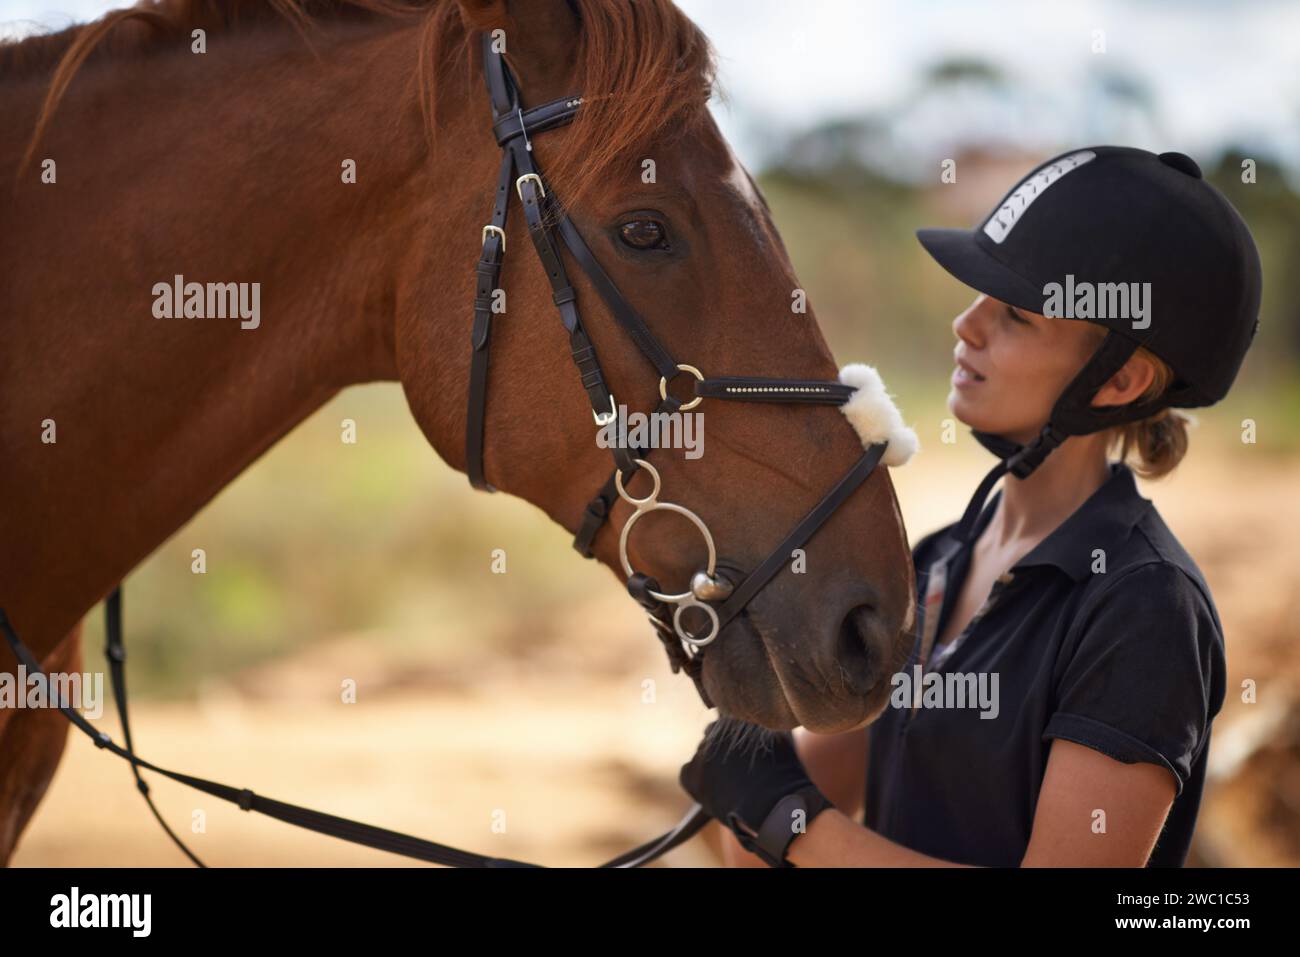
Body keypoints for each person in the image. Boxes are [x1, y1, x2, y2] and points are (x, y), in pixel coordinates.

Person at [679, 146, 1262, 867]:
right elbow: (762, 839)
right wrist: (752, 688)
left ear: (1120, 381)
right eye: (978, 293)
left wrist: (789, 820)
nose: (966, 325)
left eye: (1015, 314)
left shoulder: (1142, 605)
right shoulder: (935, 561)